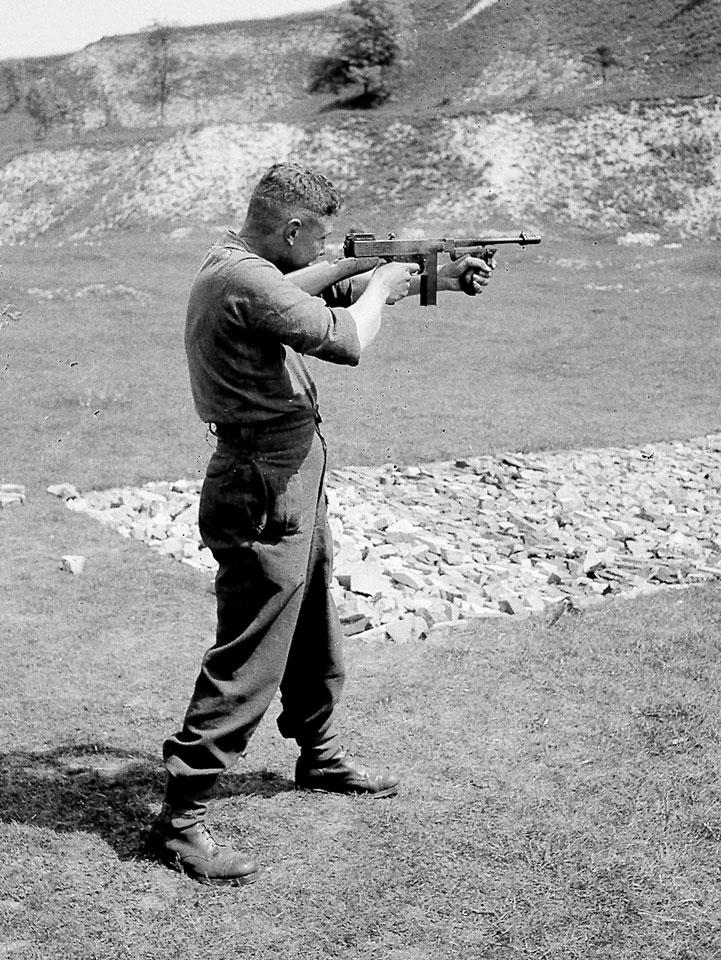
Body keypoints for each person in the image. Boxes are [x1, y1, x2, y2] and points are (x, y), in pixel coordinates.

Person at [149, 162, 493, 885]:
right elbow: (344, 337)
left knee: (311, 623)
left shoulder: (238, 260)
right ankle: (180, 819)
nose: (328, 245)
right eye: (322, 234)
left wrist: (438, 276)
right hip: (261, 480)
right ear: (293, 228)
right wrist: (379, 285)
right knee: (251, 650)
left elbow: (326, 287)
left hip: (286, 471)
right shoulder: (246, 279)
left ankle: (319, 753)